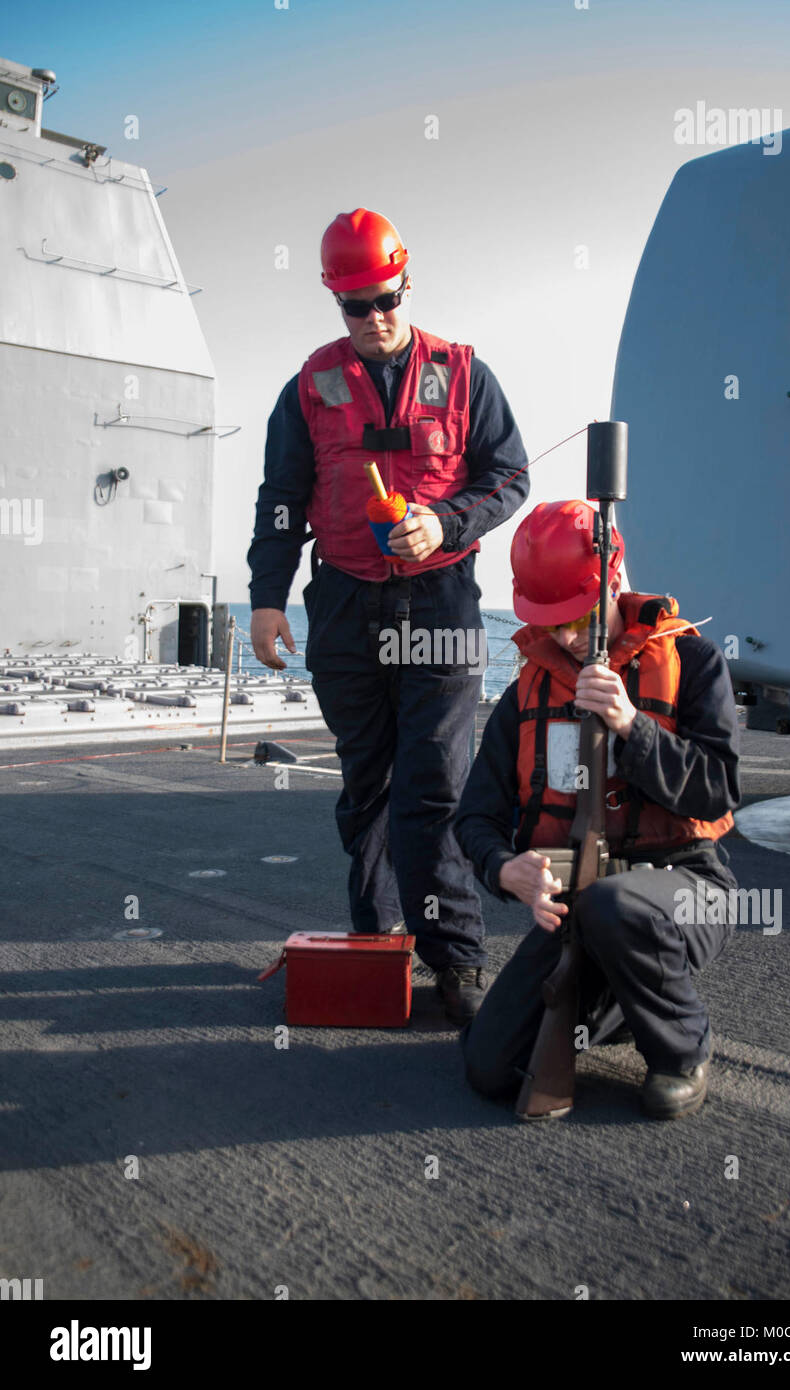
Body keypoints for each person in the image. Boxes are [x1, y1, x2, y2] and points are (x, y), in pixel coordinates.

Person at [247, 208, 529, 1025]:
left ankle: (456, 960)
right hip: (341, 605)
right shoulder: (309, 386)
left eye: (385, 299)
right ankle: (375, 945)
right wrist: (267, 597)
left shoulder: (466, 375)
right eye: (354, 305)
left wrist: (445, 523)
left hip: (439, 600)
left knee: (434, 788)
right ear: (335, 301)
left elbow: (509, 479)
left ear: (406, 283)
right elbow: (280, 501)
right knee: (365, 785)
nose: (373, 319)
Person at [454, 499, 741, 1117]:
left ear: (613, 583)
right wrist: (503, 868)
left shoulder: (693, 662)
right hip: (579, 904)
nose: (562, 636)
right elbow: (474, 815)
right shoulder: (525, 690)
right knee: (487, 1065)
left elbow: (717, 789)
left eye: (576, 617)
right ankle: (620, 1001)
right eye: (548, 621)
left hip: (686, 886)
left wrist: (632, 727)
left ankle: (682, 1051)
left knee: (617, 905)